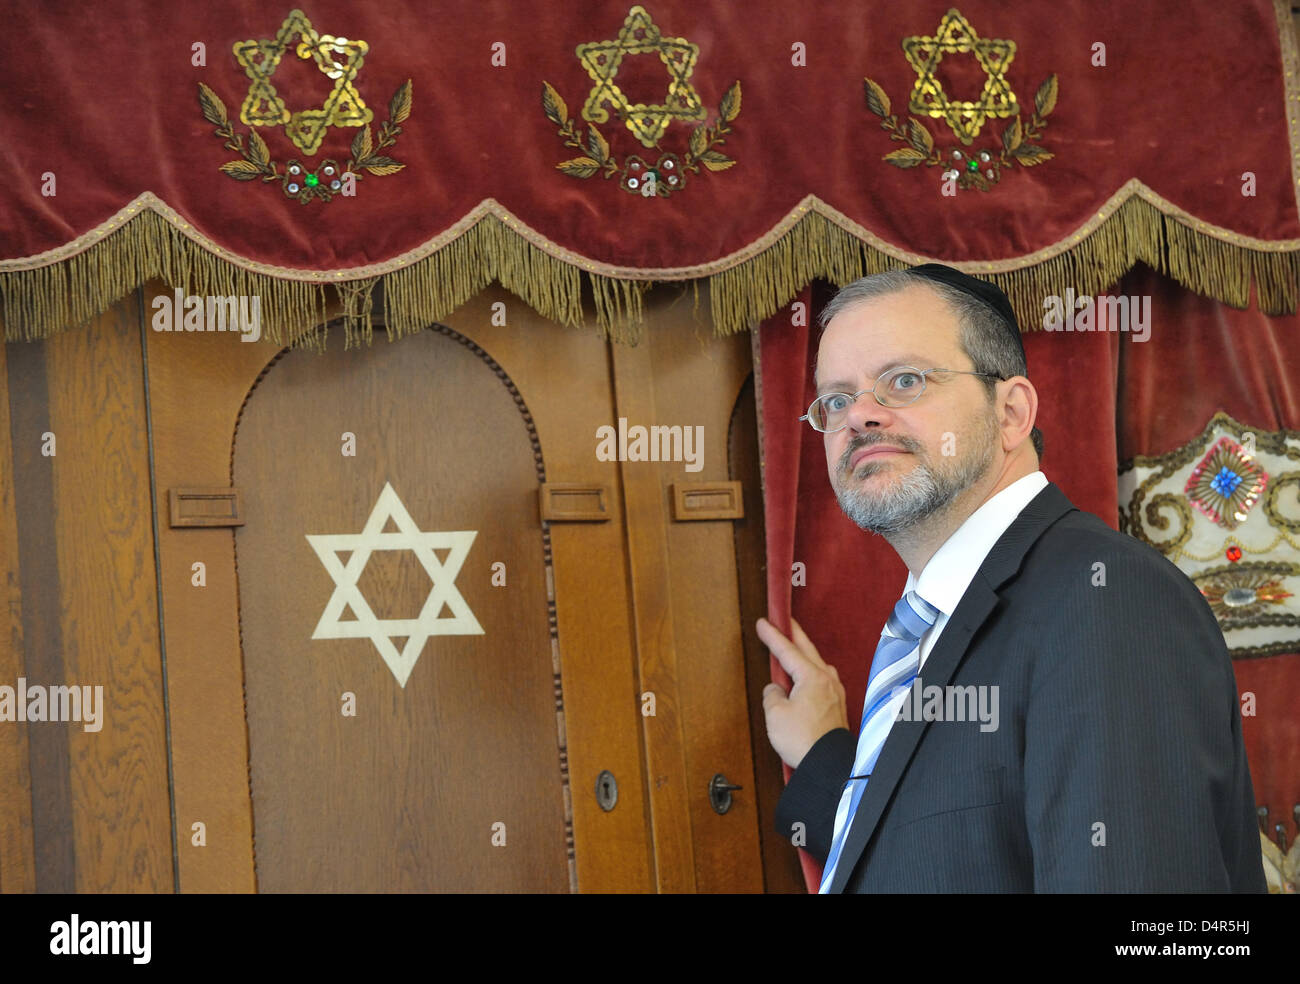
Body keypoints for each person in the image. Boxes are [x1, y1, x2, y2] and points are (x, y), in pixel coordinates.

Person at [759, 265, 1266, 893]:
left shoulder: (1104, 602)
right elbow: (959, 844)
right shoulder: (934, 620)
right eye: (836, 399)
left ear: (1011, 412)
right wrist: (828, 762)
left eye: (905, 381)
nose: (860, 415)